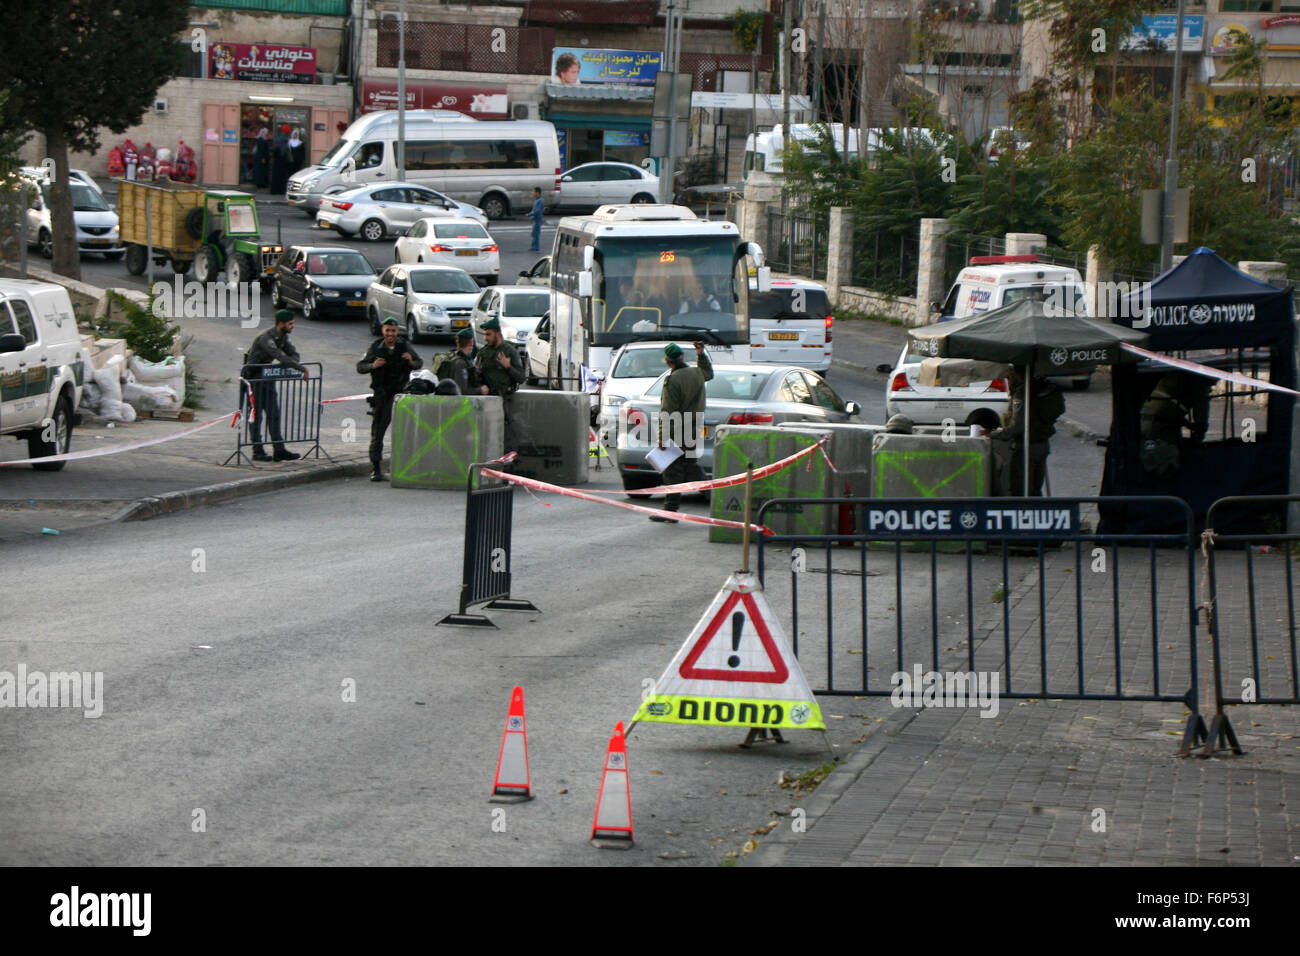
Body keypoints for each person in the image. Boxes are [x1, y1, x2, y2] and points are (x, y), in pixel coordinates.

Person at [650, 341, 713, 523]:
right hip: (695, 428)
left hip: (678, 430)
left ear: (668, 361)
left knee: (674, 471)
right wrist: (701, 354)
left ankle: (671, 510)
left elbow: (667, 412)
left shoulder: (673, 380)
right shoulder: (697, 373)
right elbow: (709, 373)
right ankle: (712, 496)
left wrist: (662, 437)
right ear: (682, 358)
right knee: (689, 467)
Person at [357, 316, 423, 482]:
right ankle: (376, 468)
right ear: (383, 331)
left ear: (397, 331)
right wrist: (373, 365)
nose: (390, 334)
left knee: (407, 432)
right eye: (387, 330)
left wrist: (411, 361)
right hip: (382, 395)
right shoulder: (375, 347)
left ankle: (407, 466)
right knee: (378, 432)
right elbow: (360, 366)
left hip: (401, 395)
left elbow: (419, 362)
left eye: (393, 331)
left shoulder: (404, 345)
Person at [241, 309, 310, 462]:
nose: (292, 326)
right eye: (290, 323)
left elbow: (293, 354)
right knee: (256, 416)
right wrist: (301, 368)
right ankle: (257, 450)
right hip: (254, 379)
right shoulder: (266, 338)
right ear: (281, 324)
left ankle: (279, 449)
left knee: (274, 415)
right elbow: (280, 356)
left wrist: (287, 364)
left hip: (267, 378)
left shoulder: (283, 337)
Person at [990, 367, 1065, 496]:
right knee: (1035, 490)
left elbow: (1018, 426)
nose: (1008, 381)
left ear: (1014, 375)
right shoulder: (1041, 388)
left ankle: (1024, 515)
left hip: (1026, 448)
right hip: (1042, 444)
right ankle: (1036, 514)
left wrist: (993, 434)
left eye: (1008, 378)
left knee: (1020, 489)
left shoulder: (1022, 393)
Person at [1139, 372, 1212, 480]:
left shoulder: (1179, 377)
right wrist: (1199, 433)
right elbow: (1201, 411)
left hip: (1148, 418)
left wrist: (1189, 425)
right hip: (1161, 423)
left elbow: (1171, 407)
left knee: (1152, 453)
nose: (1216, 383)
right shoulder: (1198, 381)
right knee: (1166, 460)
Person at [474, 317, 527, 450]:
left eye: (488, 334)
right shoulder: (483, 353)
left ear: (497, 333)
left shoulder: (510, 352)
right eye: (485, 334)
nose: (485, 338)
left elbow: (521, 378)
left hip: (504, 399)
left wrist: (508, 367)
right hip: (487, 400)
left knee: (505, 435)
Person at [435, 327, 481, 396]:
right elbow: (461, 390)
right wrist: (480, 390)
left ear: (457, 342)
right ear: (471, 342)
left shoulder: (455, 356)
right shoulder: (461, 363)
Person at [270, 125, 291, 195]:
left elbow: (275, 149)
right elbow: (286, 150)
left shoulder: (279, 138)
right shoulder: (285, 138)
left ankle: (275, 190)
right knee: (282, 176)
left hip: (278, 160)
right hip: (282, 160)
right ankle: (280, 190)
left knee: (276, 176)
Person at [529, 186, 545, 252]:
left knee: (536, 233)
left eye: (534, 191)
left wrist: (530, 214)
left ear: (537, 192)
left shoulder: (540, 201)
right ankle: (534, 246)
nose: (533, 193)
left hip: (537, 219)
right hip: (535, 219)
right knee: (534, 233)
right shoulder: (537, 200)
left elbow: (537, 210)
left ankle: (536, 247)